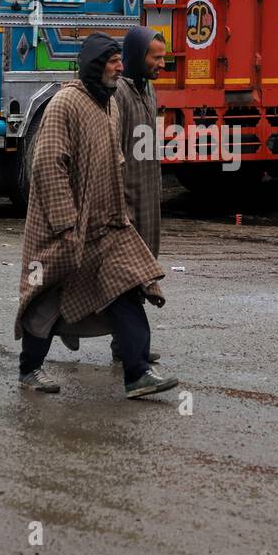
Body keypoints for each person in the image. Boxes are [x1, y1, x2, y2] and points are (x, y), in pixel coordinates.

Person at [14, 32, 179, 399]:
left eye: (121, 60)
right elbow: (47, 163)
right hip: (66, 227)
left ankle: (136, 372)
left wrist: (120, 213)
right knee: (47, 299)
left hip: (106, 225)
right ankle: (29, 369)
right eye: (112, 61)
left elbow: (117, 162)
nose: (120, 67)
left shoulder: (109, 105)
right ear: (94, 64)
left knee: (126, 284)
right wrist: (66, 223)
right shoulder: (65, 103)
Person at [109, 26, 166, 364]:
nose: (162, 63)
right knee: (127, 276)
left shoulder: (148, 90)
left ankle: (126, 347)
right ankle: (132, 352)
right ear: (136, 56)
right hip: (128, 198)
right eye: (155, 57)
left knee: (141, 272)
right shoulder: (119, 94)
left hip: (148, 197)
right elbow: (114, 151)